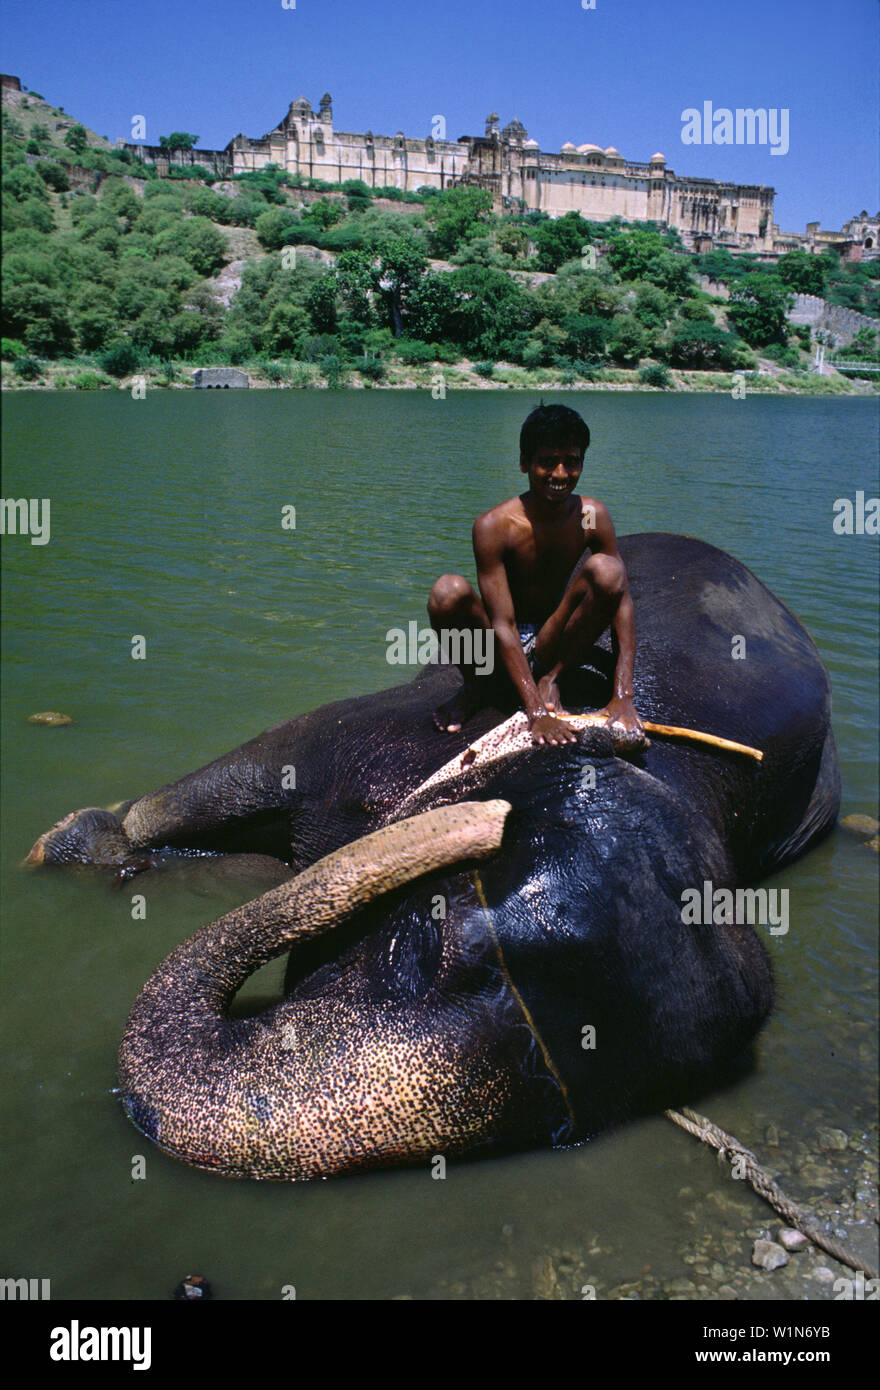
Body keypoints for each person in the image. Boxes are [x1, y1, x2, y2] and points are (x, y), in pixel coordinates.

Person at [428, 403, 645, 748]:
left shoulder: (591, 516)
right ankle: (476, 686)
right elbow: (502, 624)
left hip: (550, 640)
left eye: (571, 462)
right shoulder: (494, 526)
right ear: (524, 463)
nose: (560, 474)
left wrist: (623, 693)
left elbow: (621, 600)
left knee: (608, 569)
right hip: (499, 643)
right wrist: (536, 713)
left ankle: (552, 677)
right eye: (547, 462)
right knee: (446, 591)